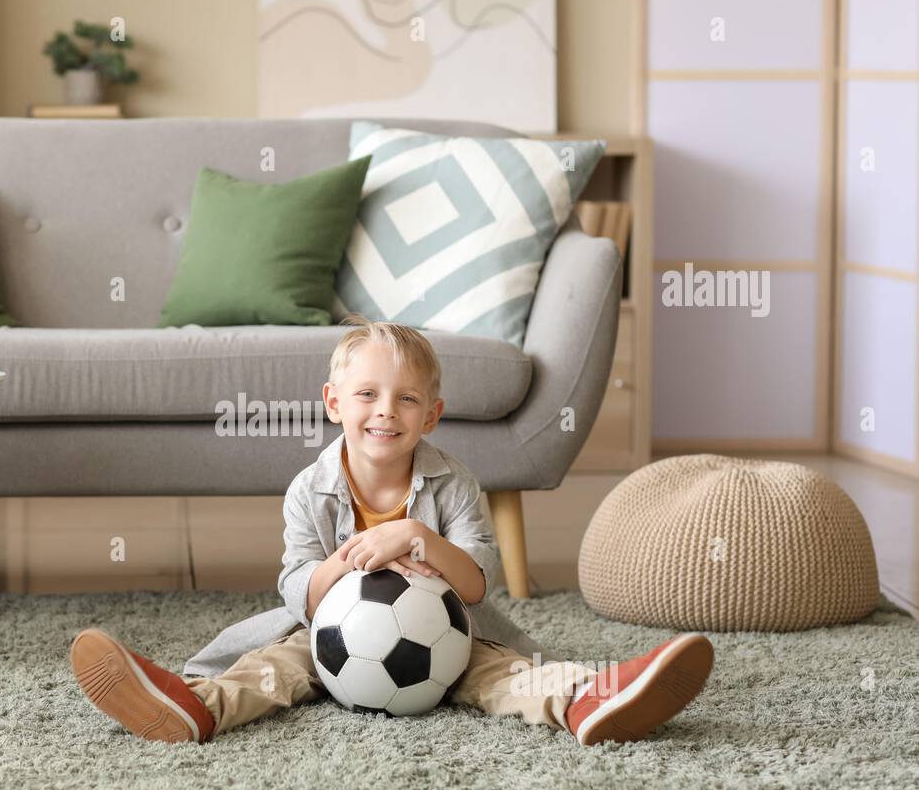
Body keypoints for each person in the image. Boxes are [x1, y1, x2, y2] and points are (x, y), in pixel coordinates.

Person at [70, 317, 713, 746]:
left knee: (500, 673)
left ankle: (585, 699)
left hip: (442, 643)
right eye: (367, 394)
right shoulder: (308, 490)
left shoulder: (454, 485)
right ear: (333, 403)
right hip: (329, 642)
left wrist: (417, 537)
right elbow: (300, 590)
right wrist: (349, 564)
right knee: (274, 667)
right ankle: (197, 707)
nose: (385, 411)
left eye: (406, 399)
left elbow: (479, 581)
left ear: (431, 415)